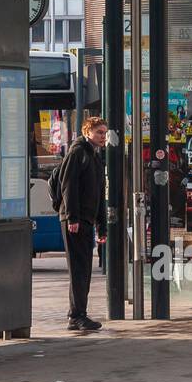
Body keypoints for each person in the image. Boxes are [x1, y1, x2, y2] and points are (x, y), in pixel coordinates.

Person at [58, 116, 107, 332]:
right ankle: (76, 316)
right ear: (87, 132)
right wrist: (72, 218)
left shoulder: (95, 156)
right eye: (98, 132)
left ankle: (79, 314)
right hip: (75, 220)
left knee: (84, 269)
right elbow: (68, 185)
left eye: (104, 133)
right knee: (79, 269)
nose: (103, 137)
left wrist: (101, 225)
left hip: (86, 220)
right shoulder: (78, 153)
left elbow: (98, 194)